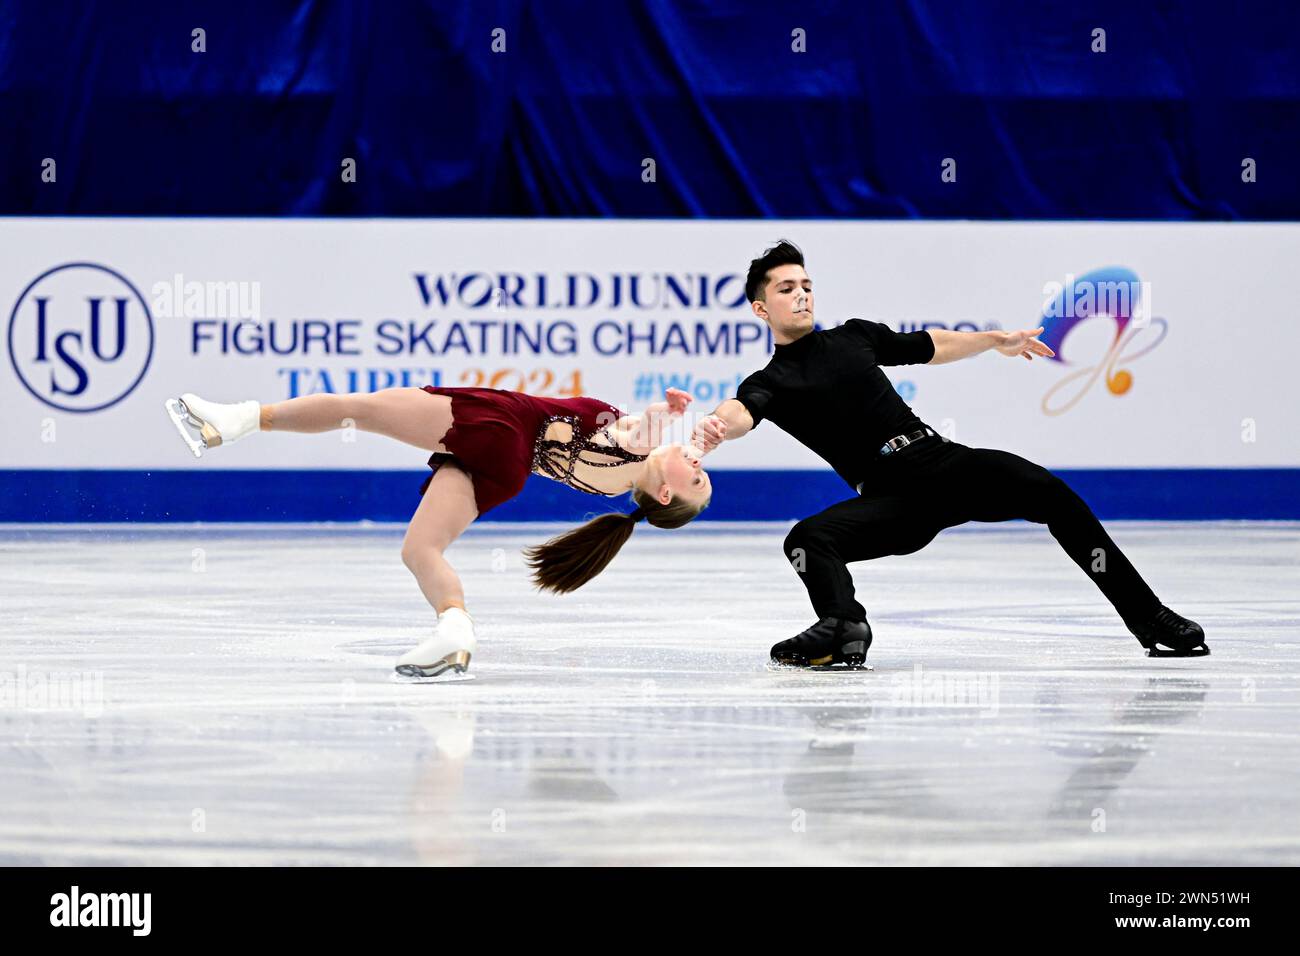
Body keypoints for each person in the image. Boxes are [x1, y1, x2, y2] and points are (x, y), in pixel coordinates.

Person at [690, 240, 1207, 666]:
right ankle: (843, 625)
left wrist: (995, 340)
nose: (801, 295)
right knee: (807, 538)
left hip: (945, 463)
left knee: (1052, 493)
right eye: (786, 289)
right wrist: (716, 425)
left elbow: (928, 345)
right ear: (762, 309)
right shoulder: (771, 381)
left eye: (806, 285)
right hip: (891, 501)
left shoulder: (854, 338)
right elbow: (741, 410)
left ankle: (1149, 616)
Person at [165, 384, 711, 678]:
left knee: (362, 408)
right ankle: (454, 628)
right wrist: (658, 423)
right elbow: (632, 438)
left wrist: (665, 415)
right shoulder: (613, 492)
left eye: (697, 479)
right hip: (504, 470)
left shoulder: (632, 458)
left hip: (502, 424)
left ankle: (237, 419)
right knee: (420, 549)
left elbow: (637, 435)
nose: (698, 463)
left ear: (665, 495)